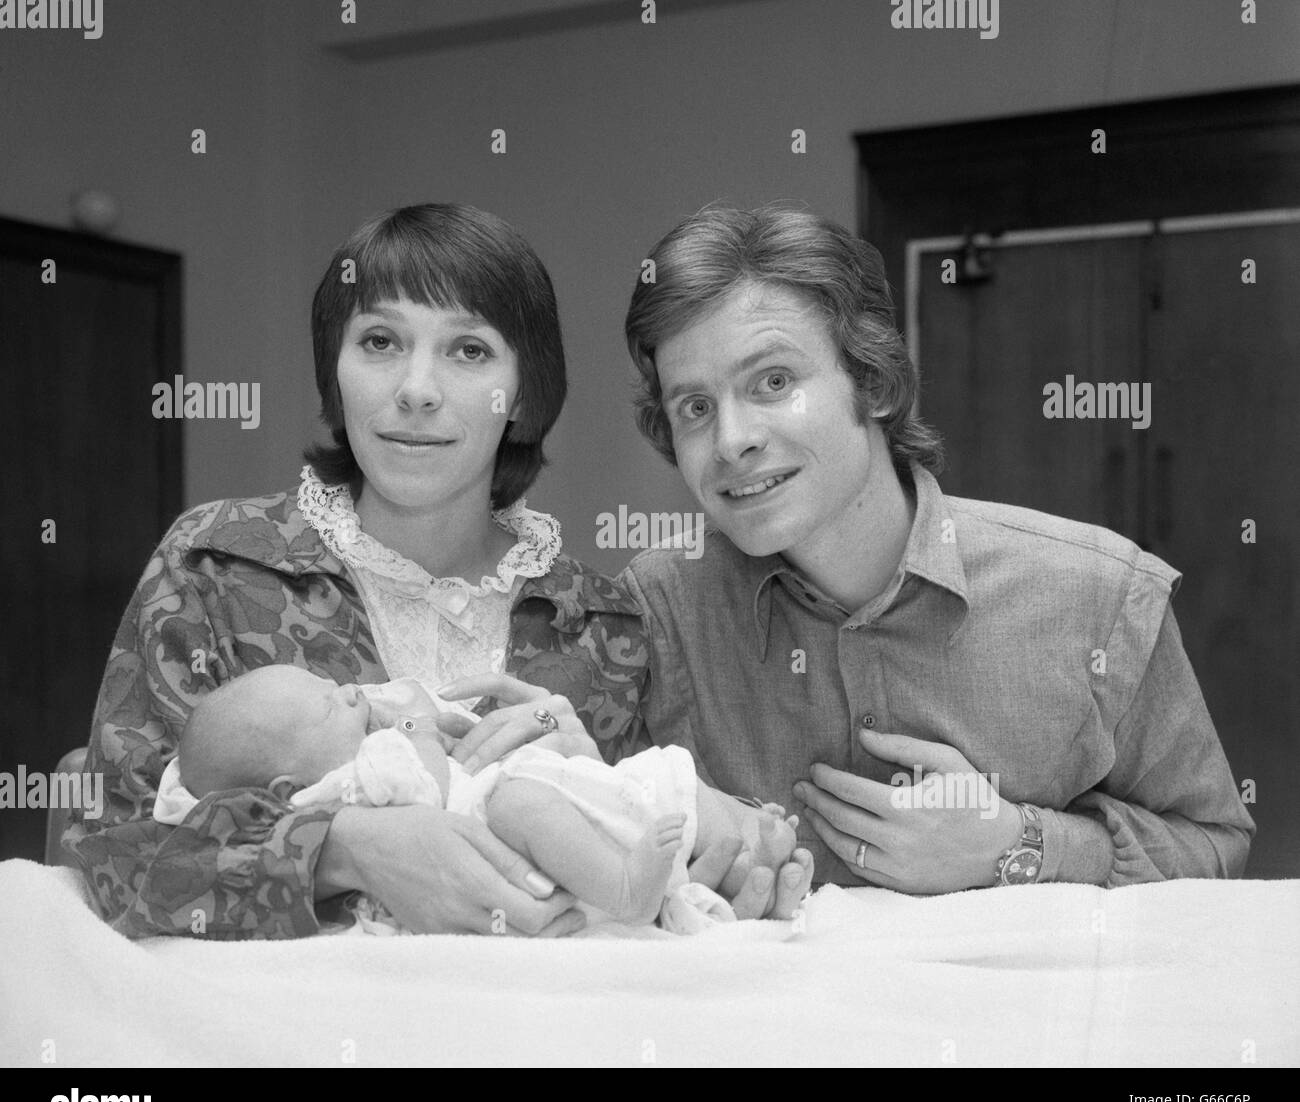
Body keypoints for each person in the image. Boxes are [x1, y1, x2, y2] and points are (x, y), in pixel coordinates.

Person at [66, 203, 793, 940]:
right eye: (380, 341)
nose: (416, 389)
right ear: (335, 370)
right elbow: (108, 855)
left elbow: (650, 873)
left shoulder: (601, 626)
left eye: (469, 351)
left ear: (525, 392)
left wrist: (734, 852)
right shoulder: (217, 566)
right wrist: (344, 851)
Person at [621, 203, 1255, 894]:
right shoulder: (656, 610)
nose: (731, 438)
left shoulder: (1100, 598)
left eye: (773, 382)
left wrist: (1023, 845)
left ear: (873, 382)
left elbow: (1218, 849)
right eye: (695, 407)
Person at [160, 664, 800, 933]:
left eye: (335, 683)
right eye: (329, 702)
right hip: (505, 840)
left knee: (642, 788)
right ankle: (636, 886)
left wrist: (573, 753)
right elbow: (137, 847)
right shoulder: (362, 768)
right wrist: (412, 722)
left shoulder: (610, 613)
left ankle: (732, 863)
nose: (354, 693)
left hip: (555, 853)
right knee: (520, 801)